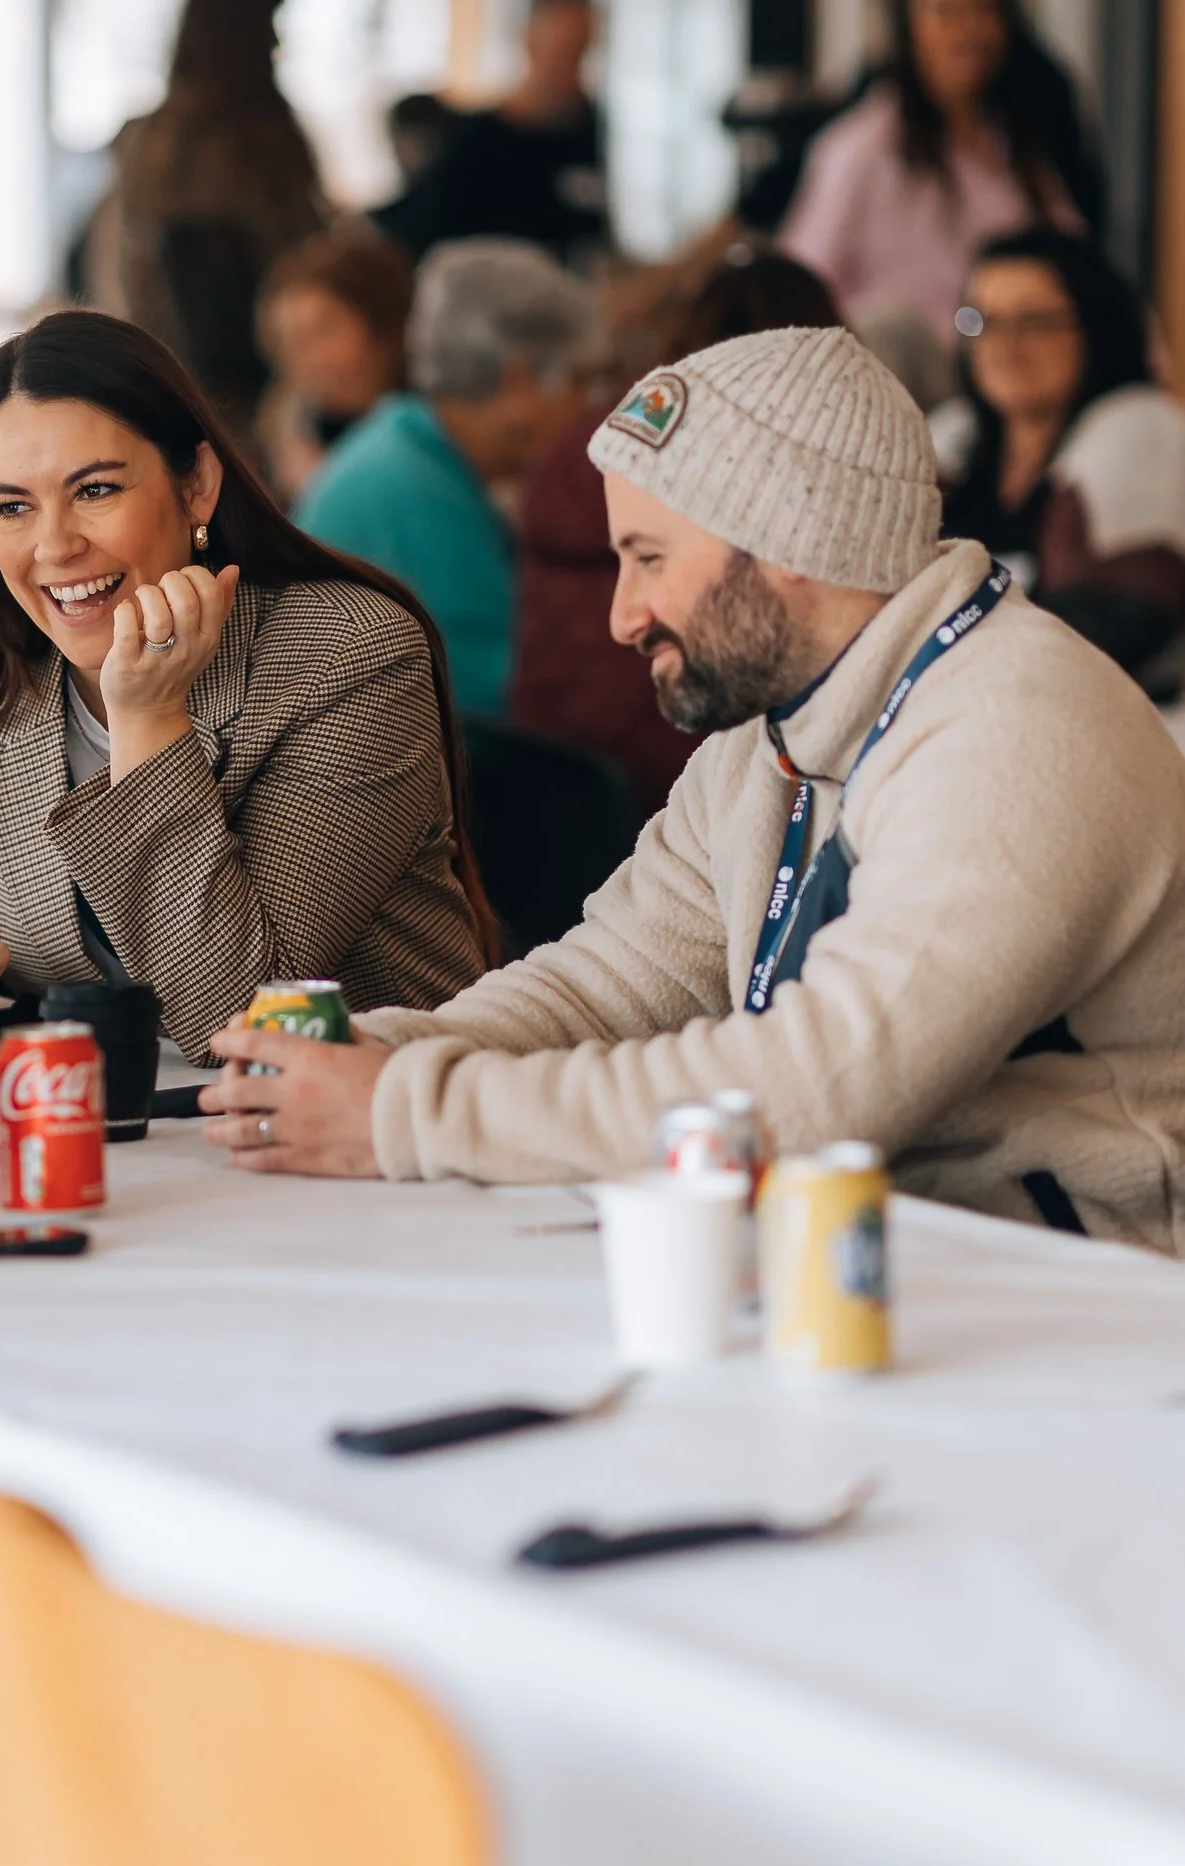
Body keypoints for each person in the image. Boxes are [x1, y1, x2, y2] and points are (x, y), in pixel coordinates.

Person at [204, 326, 1185, 1252]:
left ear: (791, 537)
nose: (621, 618)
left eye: (647, 559)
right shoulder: (774, 729)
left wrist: (405, 1111)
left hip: (1081, 1317)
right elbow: (610, 985)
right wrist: (365, 1054)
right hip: (873, 1258)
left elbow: (815, 1091)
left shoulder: (1013, 732)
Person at [0, 310, 492, 1061]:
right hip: (104, 1134)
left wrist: (149, 717)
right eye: (12, 506)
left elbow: (240, 1010)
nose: (55, 546)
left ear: (196, 485)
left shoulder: (347, 657)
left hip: (368, 1132)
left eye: (95, 490)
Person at [508, 250, 842, 810]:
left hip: (549, 801)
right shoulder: (751, 495)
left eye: (651, 559)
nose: (625, 620)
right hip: (661, 788)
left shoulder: (572, 462)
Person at [295, 238, 598, 717]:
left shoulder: (411, 446)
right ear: (519, 380)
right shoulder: (408, 492)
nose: (587, 408)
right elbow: (508, 691)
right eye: (580, 381)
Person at [936, 225, 1185, 685]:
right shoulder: (951, 444)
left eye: (1033, 322)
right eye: (982, 321)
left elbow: (1105, 630)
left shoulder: (1141, 431)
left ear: (1094, 327)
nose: (1003, 346)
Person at [779, 0, 1100, 346]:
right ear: (908, 26)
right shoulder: (859, 150)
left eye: (985, 11)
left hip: (1002, 359)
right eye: (947, 12)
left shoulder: (1021, 148)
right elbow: (798, 288)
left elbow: (1080, 268)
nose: (969, 30)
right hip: (898, 371)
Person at [84, 0, 326, 451]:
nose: (278, 41)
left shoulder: (154, 135)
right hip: (240, 389)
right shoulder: (240, 141)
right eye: (268, 27)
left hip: (167, 379)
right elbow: (295, 266)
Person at [373, 0, 608, 266]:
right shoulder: (473, 146)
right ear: (529, 41)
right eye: (560, 54)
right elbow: (409, 228)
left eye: (580, 53)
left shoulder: (593, 132)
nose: (569, 71)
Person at [255, 226, 413, 504]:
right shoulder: (293, 439)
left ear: (377, 324)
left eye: (322, 331)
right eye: (288, 343)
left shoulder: (435, 414)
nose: (305, 359)